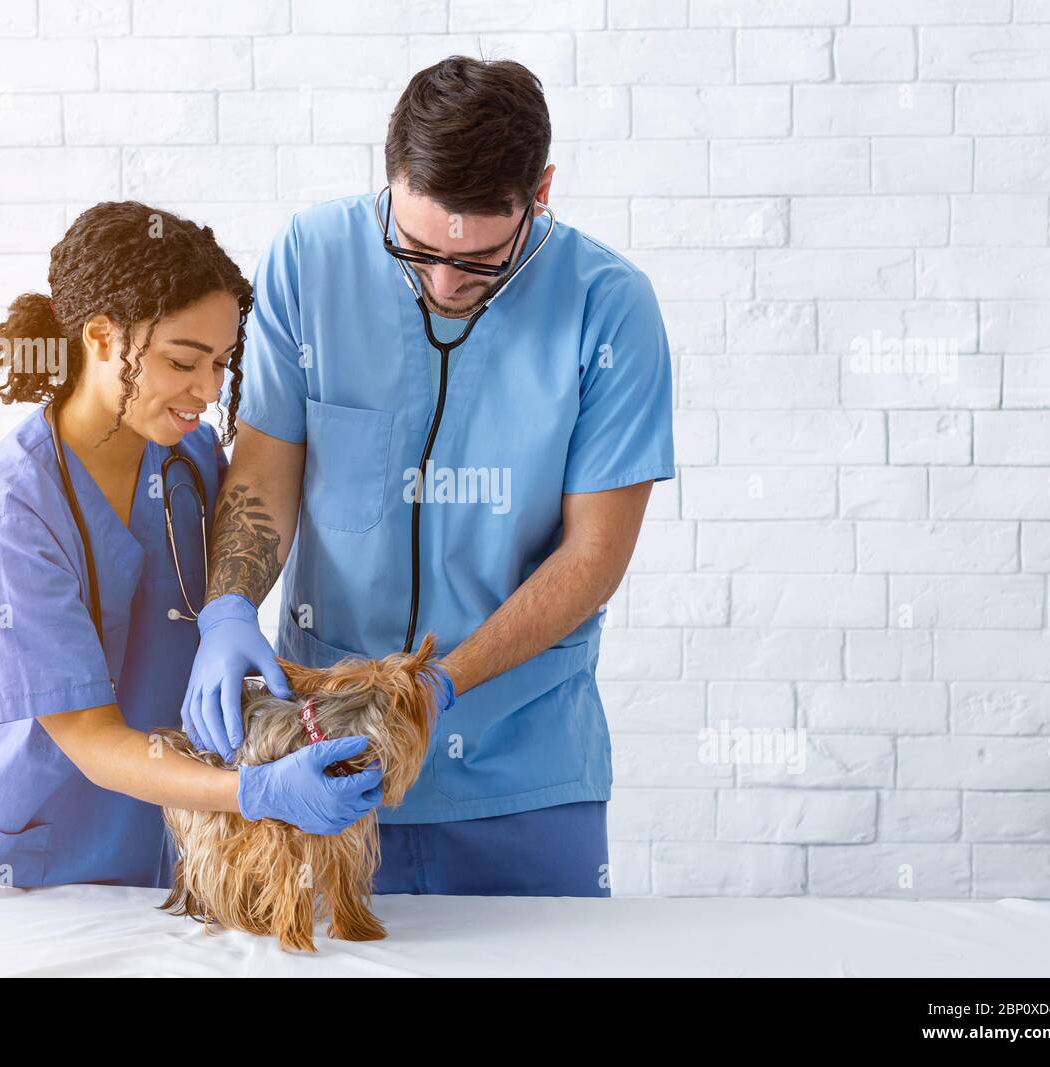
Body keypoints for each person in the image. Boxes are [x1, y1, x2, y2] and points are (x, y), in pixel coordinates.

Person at [180, 58, 677, 897]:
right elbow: (264, 472)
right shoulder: (310, 259)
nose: (445, 283)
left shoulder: (611, 308)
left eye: (483, 260)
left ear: (542, 191)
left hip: (523, 766)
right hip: (325, 758)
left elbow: (594, 554)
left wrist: (439, 685)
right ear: (390, 182)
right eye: (414, 250)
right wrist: (228, 608)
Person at [0, 202, 382, 889]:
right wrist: (255, 793)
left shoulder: (189, 460)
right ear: (102, 337)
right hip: (3, 853)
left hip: (142, 840)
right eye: (183, 361)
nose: (208, 392)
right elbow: (87, 733)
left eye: (222, 363)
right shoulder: (9, 511)